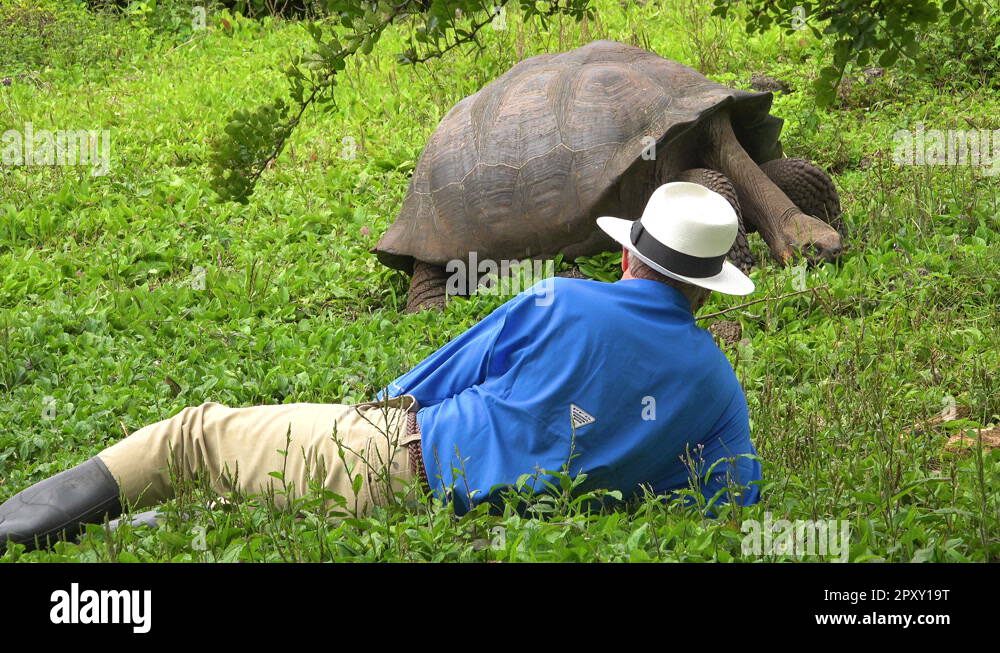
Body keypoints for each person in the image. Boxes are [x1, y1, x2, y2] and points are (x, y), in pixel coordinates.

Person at [0, 182, 762, 552]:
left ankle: (10, 531)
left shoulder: (563, 300)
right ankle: (118, 535)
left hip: (404, 465)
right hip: (488, 527)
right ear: (706, 284)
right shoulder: (719, 391)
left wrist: (366, 417)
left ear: (628, 252)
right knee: (246, 513)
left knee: (195, 438)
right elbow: (726, 499)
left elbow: (432, 380)